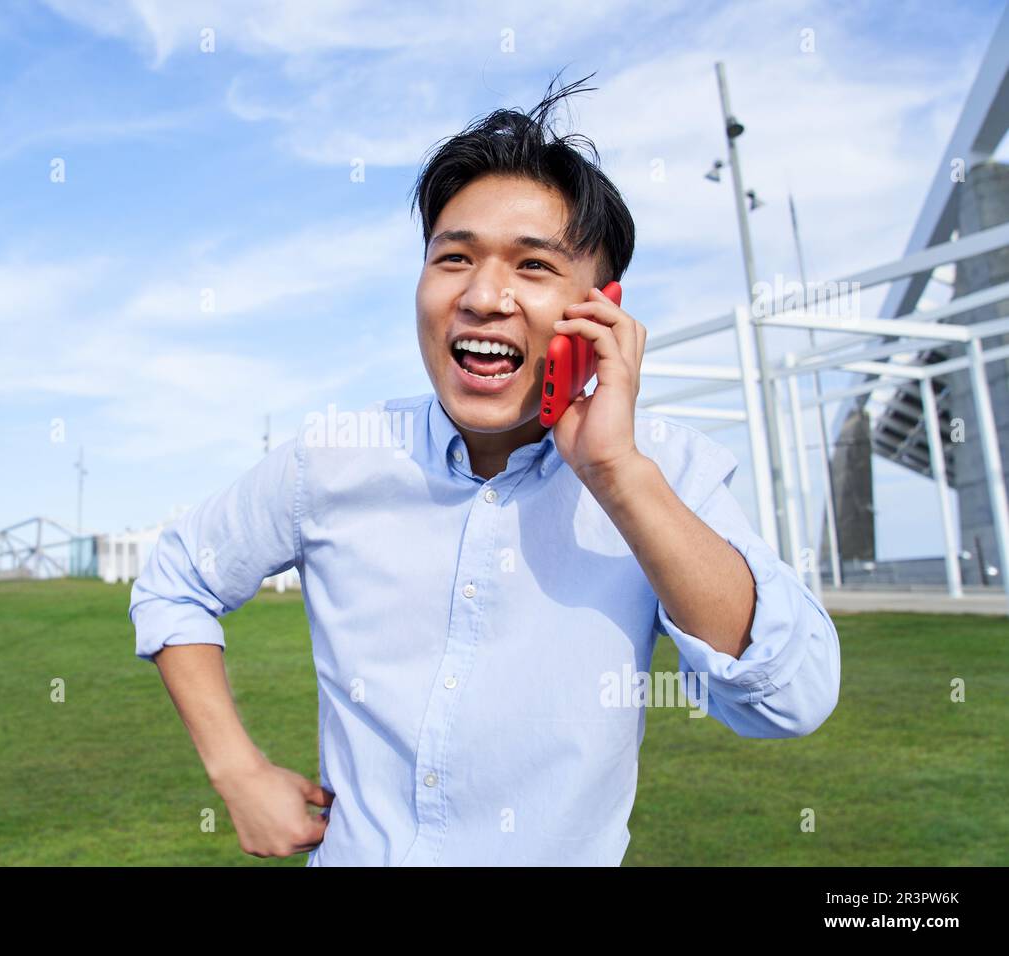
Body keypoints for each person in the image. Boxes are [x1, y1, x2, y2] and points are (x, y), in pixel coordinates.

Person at [128, 71, 841, 866]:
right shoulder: (333, 456)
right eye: (453, 258)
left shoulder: (660, 473)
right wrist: (239, 772)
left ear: (602, 306)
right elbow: (176, 579)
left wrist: (617, 475)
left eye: (533, 266)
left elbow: (792, 698)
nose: (483, 296)